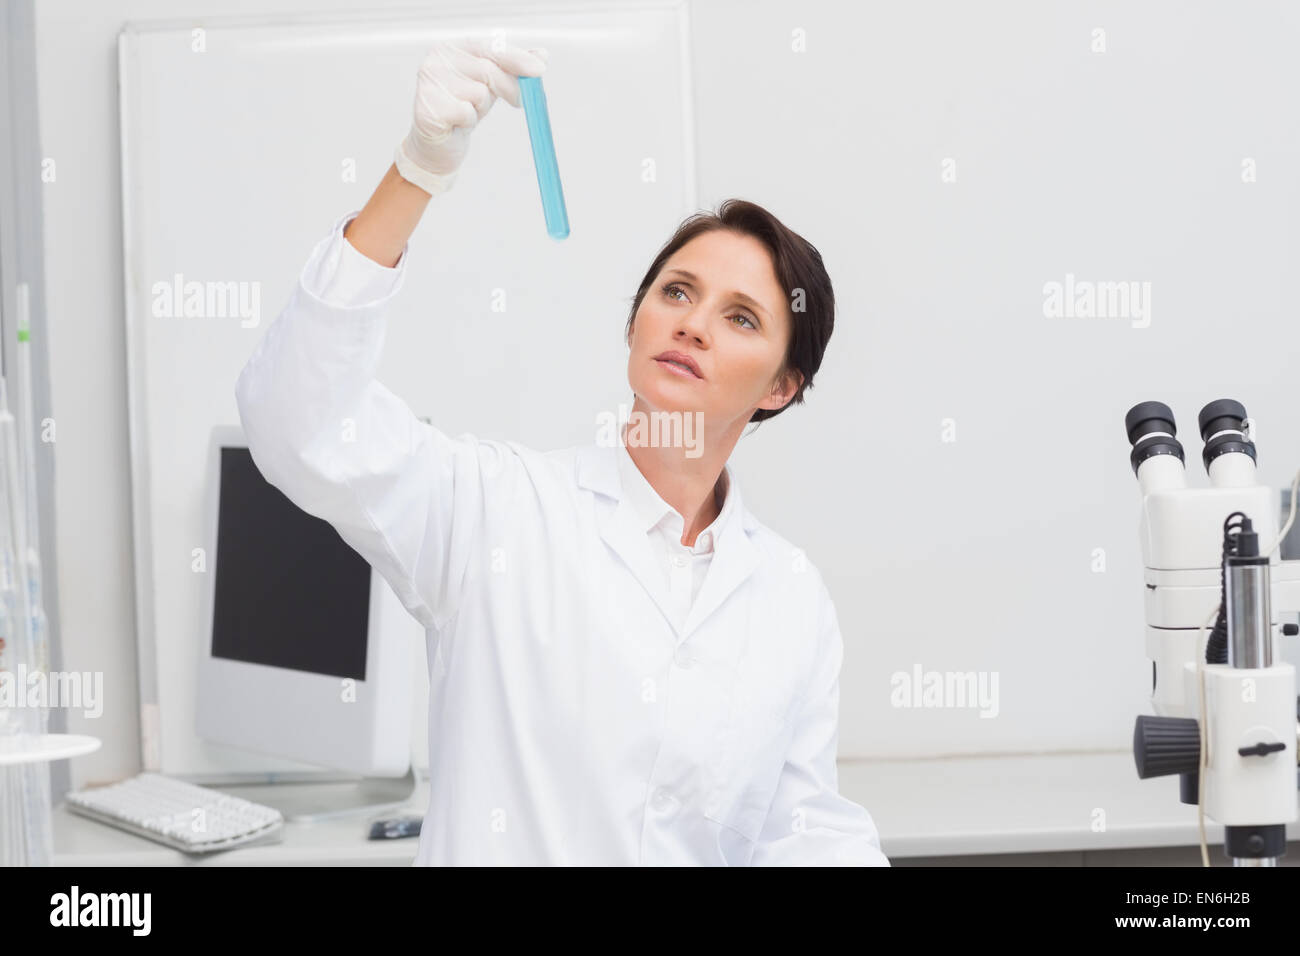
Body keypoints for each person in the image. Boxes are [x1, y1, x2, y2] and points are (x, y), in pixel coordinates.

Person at [235, 37, 888, 866]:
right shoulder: (496, 513)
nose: (692, 322)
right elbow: (300, 419)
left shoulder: (790, 598)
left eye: (741, 317)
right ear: (636, 321)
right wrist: (418, 171)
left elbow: (802, 834)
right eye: (677, 292)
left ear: (780, 389)